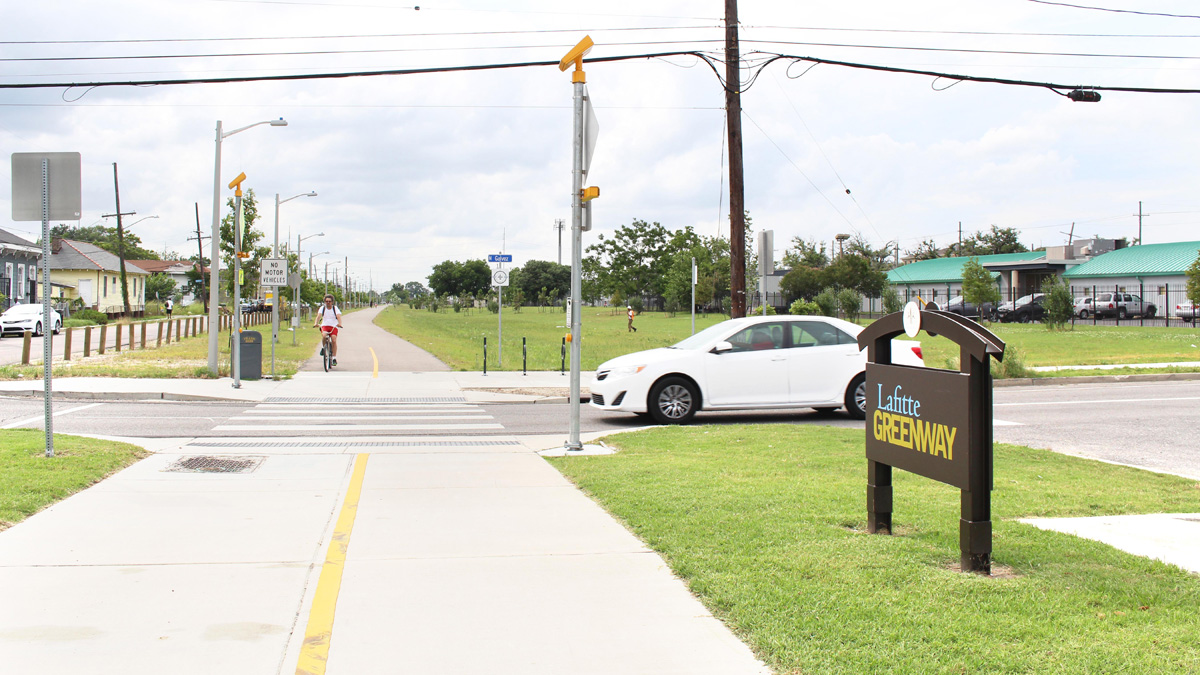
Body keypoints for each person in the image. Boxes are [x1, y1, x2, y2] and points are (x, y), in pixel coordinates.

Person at [313, 294, 343, 366]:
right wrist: (316, 323)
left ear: (332, 302)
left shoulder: (335, 308)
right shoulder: (322, 308)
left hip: (333, 326)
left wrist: (340, 323)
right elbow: (318, 316)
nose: (328, 303)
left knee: (333, 339)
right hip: (325, 325)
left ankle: (334, 358)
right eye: (326, 301)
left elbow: (338, 317)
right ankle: (324, 348)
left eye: (329, 301)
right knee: (324, 336)